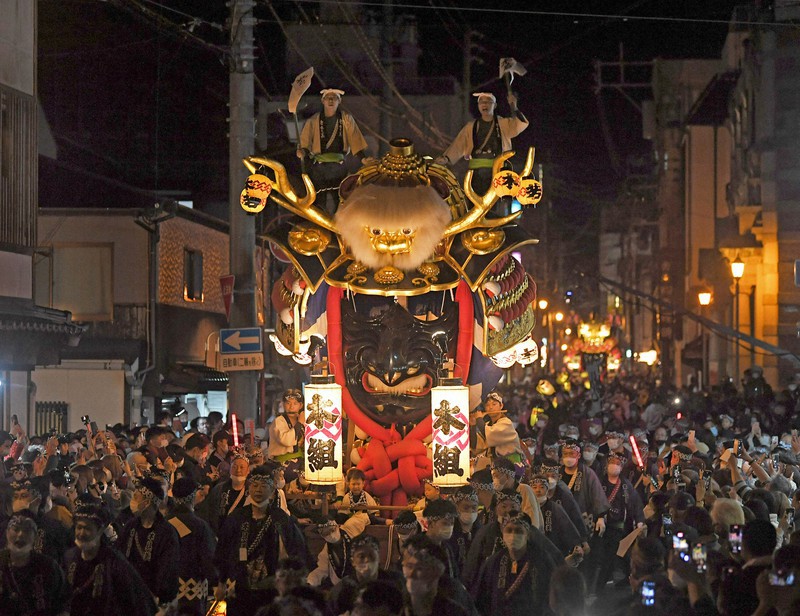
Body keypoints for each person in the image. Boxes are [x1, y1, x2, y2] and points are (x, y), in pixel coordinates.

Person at [213, 464, 309, 616]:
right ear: (249, 488)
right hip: (238, 586)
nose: (258, 490)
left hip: (271, 588)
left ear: (272, 491)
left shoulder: (280, 518)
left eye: (263, 486)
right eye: (255, 485)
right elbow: (223, 550)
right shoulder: (236, 517)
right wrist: (221, 582)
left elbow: (296, 550)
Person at [65, 497, 157, 616]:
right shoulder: (70, 557)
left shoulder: (115, 563)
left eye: (87, 528)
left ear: (99, 531)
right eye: (79, 527)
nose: (81, 533)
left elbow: (137, 601)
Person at [436, 91, 529, 195]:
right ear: (478, 106)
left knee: (493, 203)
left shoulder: (503, 124)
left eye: (488, 102)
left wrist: (514, 107)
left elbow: (519, 124)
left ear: (495, 105)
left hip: (498, 172)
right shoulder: (470, 126)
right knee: (474, 201)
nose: (485, 104)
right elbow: (459, 144)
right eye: (481, 102)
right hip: (475, 172)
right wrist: (446, 158)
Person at [297, 89, 371, 214]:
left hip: (339, 166)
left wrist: (363, 158)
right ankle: (321, 222)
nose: (331, 100)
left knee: (340, 199)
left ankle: (337, 224)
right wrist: (303, 151)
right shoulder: (313, 120)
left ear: (339, 101)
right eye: (328, 98)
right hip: (319, 167)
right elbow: (305, 142)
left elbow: (355, 140)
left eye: (334, 98)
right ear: (323, 100)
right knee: (319, 199)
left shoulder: (346, 119)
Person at [472, 512, 556, 615]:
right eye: (509, 530)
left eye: (519, 531)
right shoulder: (493, 562)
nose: (513, 535)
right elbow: (481, 599)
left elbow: (552, 599)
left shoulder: (542, 561)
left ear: (528, 534)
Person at [118, 476, 180, 612]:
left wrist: (160, 597)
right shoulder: (130, 527)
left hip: (153, 601)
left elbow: (168, 569)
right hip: (128, 598)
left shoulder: (167, 533)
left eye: (136, 497)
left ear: (147, 502)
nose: (133, 501)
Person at [0, 510, 70, 616]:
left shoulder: (48, 566)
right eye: (16, 529)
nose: (20, 535)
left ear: (35, 536)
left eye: (27, 530)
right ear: (7, 533)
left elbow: (64, 601)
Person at [166, 476, 218, 616]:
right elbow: (208, 558)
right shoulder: (199, 526)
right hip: (192, 588)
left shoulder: (164, 522)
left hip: (167, 587)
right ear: (193, 495)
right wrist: (217, 582)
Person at [205, 451, 249, 534]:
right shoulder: (219, 488)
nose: (238, 470)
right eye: (234, 467)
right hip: (221, 533)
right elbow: (211, 511)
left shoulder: (251, 490)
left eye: (242, 467)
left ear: (248, 470)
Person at [268, 389, 305, 461]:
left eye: (295, 403)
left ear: (300, 405)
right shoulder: (279, 421)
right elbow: (286, 440)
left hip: (301, 459)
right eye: (288, 403)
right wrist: (299, 423)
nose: (291, 406)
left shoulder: (303, 419)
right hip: (282, 461)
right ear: (284, 404)